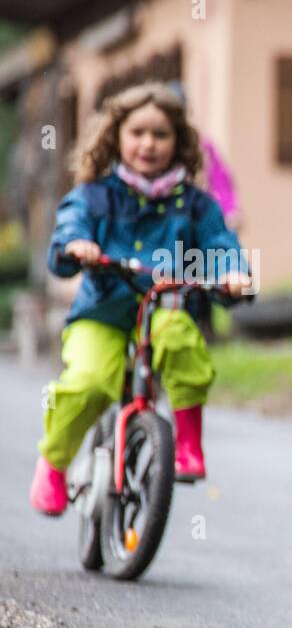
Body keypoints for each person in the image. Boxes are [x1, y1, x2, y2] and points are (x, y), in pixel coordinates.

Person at [29, 81, 251, 516]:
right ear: (117, 138)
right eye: (138, 133)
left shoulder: (195, 204)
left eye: (161, 134)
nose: (148, 144)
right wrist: (78, 246)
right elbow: (70, 227)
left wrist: (231, 272)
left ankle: (187, 441)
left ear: (179, 142)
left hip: (162, 309)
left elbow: (220, 242)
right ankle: (53, 463)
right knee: (90, 382)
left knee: (182, 341)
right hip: (102, 313)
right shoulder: (95, 195)